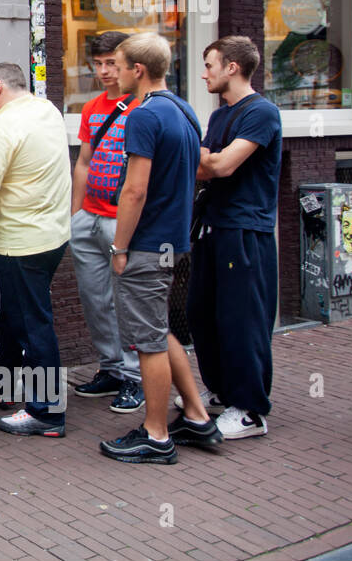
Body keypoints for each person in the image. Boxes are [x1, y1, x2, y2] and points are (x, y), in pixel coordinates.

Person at [99, 33, 222, 464]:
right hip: (174, 241)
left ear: (138, 70)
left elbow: (134, 190)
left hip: (147, 245)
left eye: (117, 65)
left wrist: (119, 247)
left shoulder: (143, 116)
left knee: (148, 341)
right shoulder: (183, 109)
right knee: (160, 329)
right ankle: (197, 414)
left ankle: (155, 435)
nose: (111, 73)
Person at [0, 63, 70, 437]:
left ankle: (47, 411)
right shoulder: (47, 110)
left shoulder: (0, 129)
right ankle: (4, 384)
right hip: (53, 237)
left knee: (32, 324)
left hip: (20, 243)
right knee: (12, 315)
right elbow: (7, 77)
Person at [186, 36, 282, 440]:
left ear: (232, 67)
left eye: (209, 64)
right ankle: (223, 391)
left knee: (241, 319)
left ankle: (251, 410)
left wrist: (199, 156)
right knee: (202, 313)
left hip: (245, 229)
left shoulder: (262, 112)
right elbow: (202, 166)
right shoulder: (220, 115)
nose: (203, 72)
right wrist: (203, 160)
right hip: (213, 227)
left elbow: (221, 165)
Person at [69, 31, 146, 413]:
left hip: (123, 221)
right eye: (97, 64)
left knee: (126, 303)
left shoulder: (144, 108)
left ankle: (136, 377)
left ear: (130, 64)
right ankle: (113, 368)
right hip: (90, 217)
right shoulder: (92, 108)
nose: (103, 71)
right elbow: (82, 163)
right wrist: (75, 216)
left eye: (111, 64)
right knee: (95, 300)